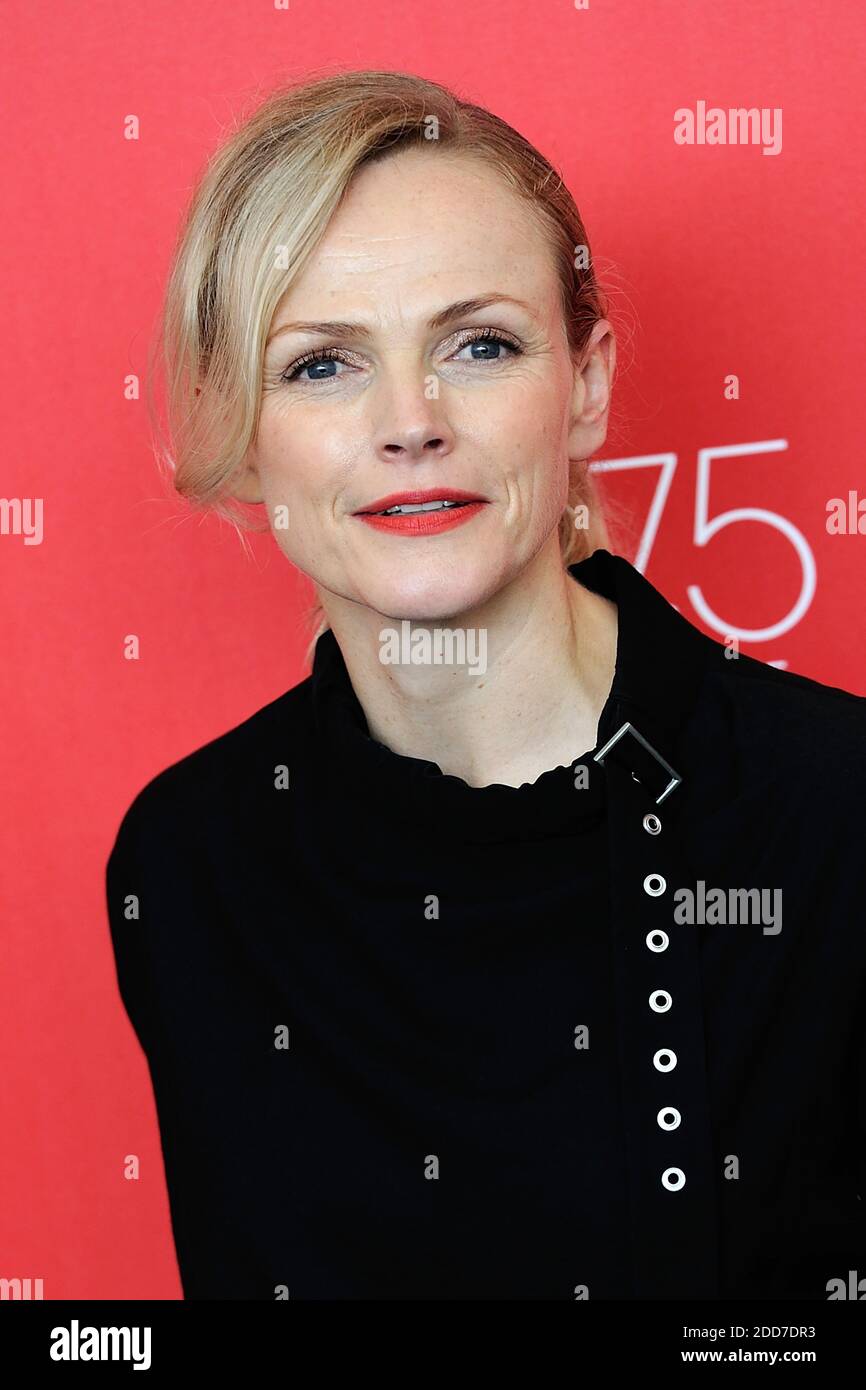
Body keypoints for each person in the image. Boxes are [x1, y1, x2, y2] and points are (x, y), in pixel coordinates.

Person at [106, 69, 866, 1301]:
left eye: (479, 344)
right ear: (240, 428)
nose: (411, 420)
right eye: (319, 365)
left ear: (586, 385)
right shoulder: (189, 862)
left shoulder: (835, 812)